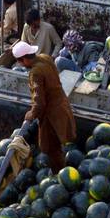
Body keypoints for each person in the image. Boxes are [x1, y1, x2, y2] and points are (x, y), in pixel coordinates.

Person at [14, 38, 76, 171]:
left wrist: (30, 115)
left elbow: (39, 102)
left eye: (20, 62)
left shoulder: (35, 72)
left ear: (24, 59)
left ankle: (59, 173)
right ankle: (61, 168)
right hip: (62, 105)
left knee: (50, 147)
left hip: (52, 115)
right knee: (56, 144)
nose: (21, 64)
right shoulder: (45, 57)